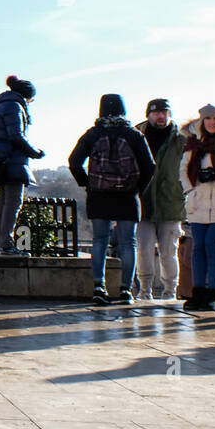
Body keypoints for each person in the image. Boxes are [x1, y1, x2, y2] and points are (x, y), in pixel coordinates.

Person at [68, 94, 156, 305]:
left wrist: (86, 183)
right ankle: (126, 290)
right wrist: (137, 187)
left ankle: (99, 287)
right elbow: (149, 166)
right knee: (128, 243)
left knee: (99, 241)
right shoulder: (134, 134)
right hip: (127, 195)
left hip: (99, 195)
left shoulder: (93, 134)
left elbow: (74, 161)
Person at [135, 99, 186, 303]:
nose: (161, 116)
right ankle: (144, 290)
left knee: (168, 253)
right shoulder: (137, 135)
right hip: (142, 203)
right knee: (144, 249)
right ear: (148, 115)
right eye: (156, 113)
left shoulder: (181, 138)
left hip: (171, 202)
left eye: (165, 112)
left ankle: (169, 292)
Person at [0, 75, 44, 255]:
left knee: (2, 203)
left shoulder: (2, 105)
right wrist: (34, 152)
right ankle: (6, 245)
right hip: (13, 161)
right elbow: (16, 136)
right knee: (13, 203)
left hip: (1, 160)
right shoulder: (15, 106)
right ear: (26, 96)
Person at [180, 105, 215, 312]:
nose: (213, 122)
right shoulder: (194, 145)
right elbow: (183, 170)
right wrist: (191, 189)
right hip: (198, 203)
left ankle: (212, 294)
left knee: (211, 244)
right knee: (198, 246)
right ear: (202, 121)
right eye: (209, 118)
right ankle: (198, 293)